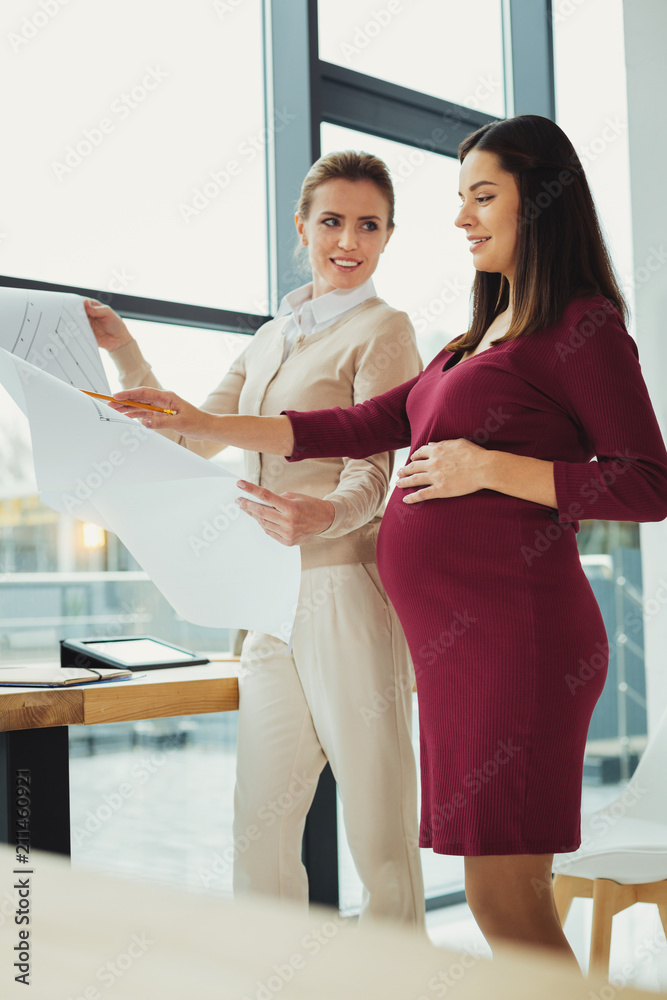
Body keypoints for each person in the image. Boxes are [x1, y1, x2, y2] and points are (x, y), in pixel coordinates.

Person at [108, 116, 667, 960]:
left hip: (517, 640)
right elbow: (354, 423)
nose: (462, 218)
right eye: (460, 198)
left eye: (483, 197)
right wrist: (203, 421)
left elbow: (646, 482)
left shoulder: (579, 327)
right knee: (499, 896)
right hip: (459, 648)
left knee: (502, 899)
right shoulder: (474, 338)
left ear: (541, 202)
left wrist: (491, 466)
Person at [86, 150, 426, 927]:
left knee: (378, 832)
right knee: (259, 828)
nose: (348, 241)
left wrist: (324, 515)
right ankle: (272, 975)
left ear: (387, 236)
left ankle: (403, 976)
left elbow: (372, 468)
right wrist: (123, 350)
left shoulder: (385, 329)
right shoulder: (273, 336)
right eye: (332, 221)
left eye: (369, 225)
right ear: (301, 227)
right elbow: (190, 435)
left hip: (346, 593)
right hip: (268, 601)